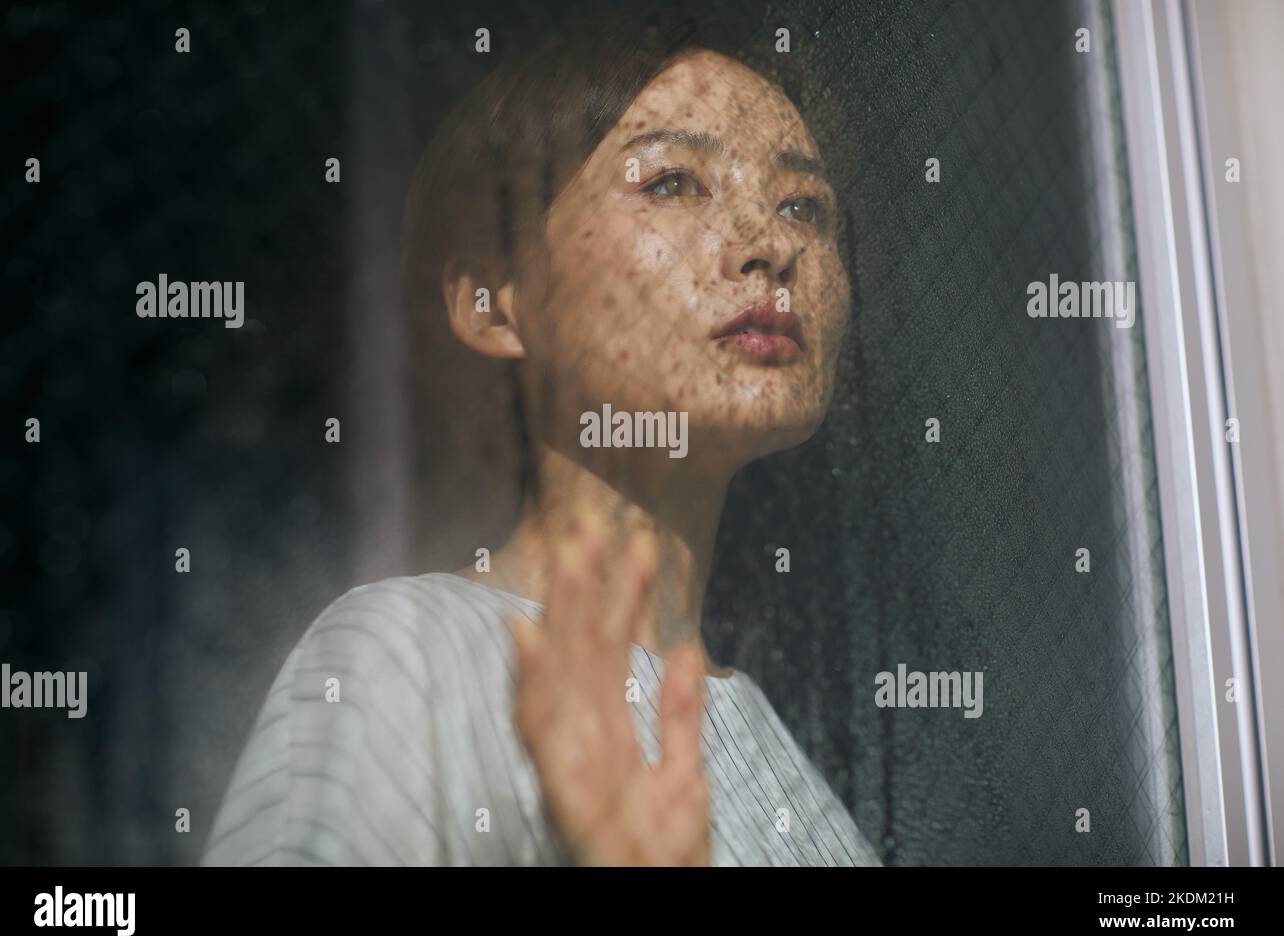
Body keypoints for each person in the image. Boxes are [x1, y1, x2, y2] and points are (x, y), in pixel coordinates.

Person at [202, 12, 881, 867]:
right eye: (673, 181)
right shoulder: (403, 657)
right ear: (494, 302)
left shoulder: (801, 781)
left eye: (803, 204)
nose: (772, 245)